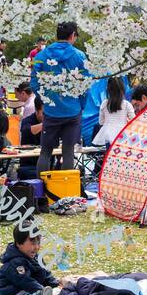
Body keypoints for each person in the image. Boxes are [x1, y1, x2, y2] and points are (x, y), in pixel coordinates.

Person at [30, 21, 90, 180]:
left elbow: (34, 83)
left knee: (45, 152)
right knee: (68, 151)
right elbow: (85, 86)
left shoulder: (41, 56)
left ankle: (40, 191)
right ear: (72, 36)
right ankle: (65, 193)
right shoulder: (80, 56)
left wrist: (46, 99)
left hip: (51, 111)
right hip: (73, 111)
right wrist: (80, 105)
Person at [0, 224, 59, 295]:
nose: (37, 247)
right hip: (11, 293)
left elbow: (45, 272)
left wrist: (55, 284)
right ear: (19, 243)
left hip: (29, 288)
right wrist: (42, 290)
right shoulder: (15, 262)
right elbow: (25, 281)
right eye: (33, 243)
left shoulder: (35, 257)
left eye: (38, 243)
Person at [93, 76, 135, 147]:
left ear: (108, 90)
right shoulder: (127, 104)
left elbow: (101, 122)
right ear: (122, 89)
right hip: (123, 134)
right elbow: (133, 121)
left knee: (109, 155)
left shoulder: (104, 104)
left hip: (107, 134)